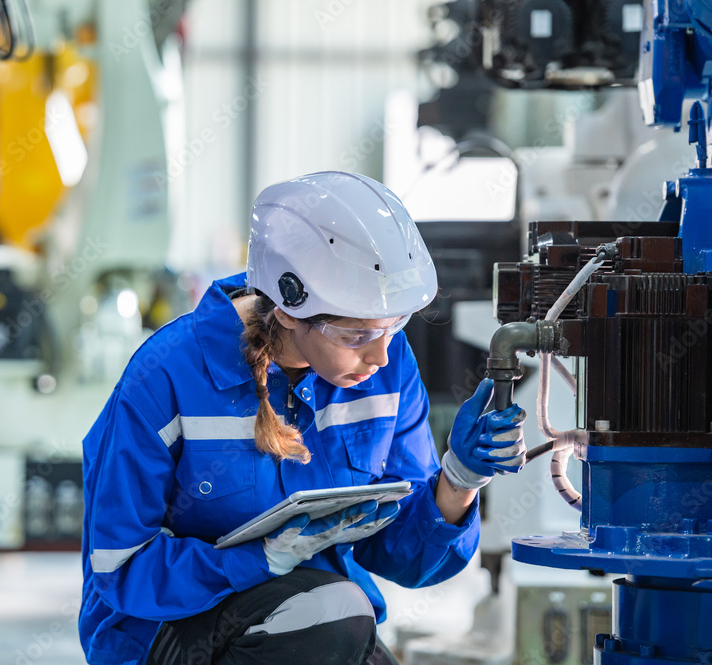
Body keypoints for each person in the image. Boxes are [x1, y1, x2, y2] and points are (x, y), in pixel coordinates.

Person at [80, 171, 526, 665]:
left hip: (312, 623)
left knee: (337, 624)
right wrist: (255, 560)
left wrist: (458, 482)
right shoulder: (164, 378)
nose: (381, 356)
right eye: (357, 335)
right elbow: (120, 566)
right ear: (290, 311)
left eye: (394, 326)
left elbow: (401, 556)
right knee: (333, 617)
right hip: (165, 632)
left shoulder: (387, 366)